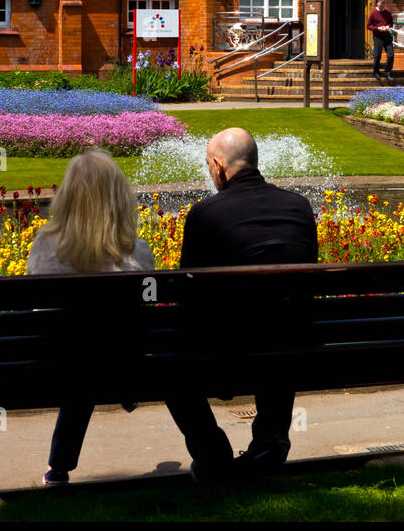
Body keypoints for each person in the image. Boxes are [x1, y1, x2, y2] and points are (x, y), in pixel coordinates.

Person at [165, 127, 319, 483]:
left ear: (219, 166)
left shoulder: (205, 214)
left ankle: (212, 452)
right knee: (282, 324)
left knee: (169, 367)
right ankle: (269, 442)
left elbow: (188, 296)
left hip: (227, 353)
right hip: (295, 349)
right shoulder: (299, 206)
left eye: (208, 166)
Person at [25, 148, 154, 486]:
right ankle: (209, 450)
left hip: (60, 365)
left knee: (80, 361)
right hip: (123, 364)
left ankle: (59, 469)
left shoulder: (45, 245)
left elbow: (39, 313)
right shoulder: (137, 251)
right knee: (99, 350)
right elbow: (146, 316)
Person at [367, 0, 395, 80]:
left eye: (383, 6)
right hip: (378, 36)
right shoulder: (373, 13)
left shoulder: (387, 12)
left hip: (387, 35)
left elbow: (391, 23)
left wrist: (388, 27)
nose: (382, 7)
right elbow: (368, 26)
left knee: (391, 54)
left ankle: (387, 72)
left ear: (384, 4)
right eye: (380, 6)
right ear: (377, 5)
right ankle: (376, 72)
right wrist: (377, 28)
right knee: (377, 55)